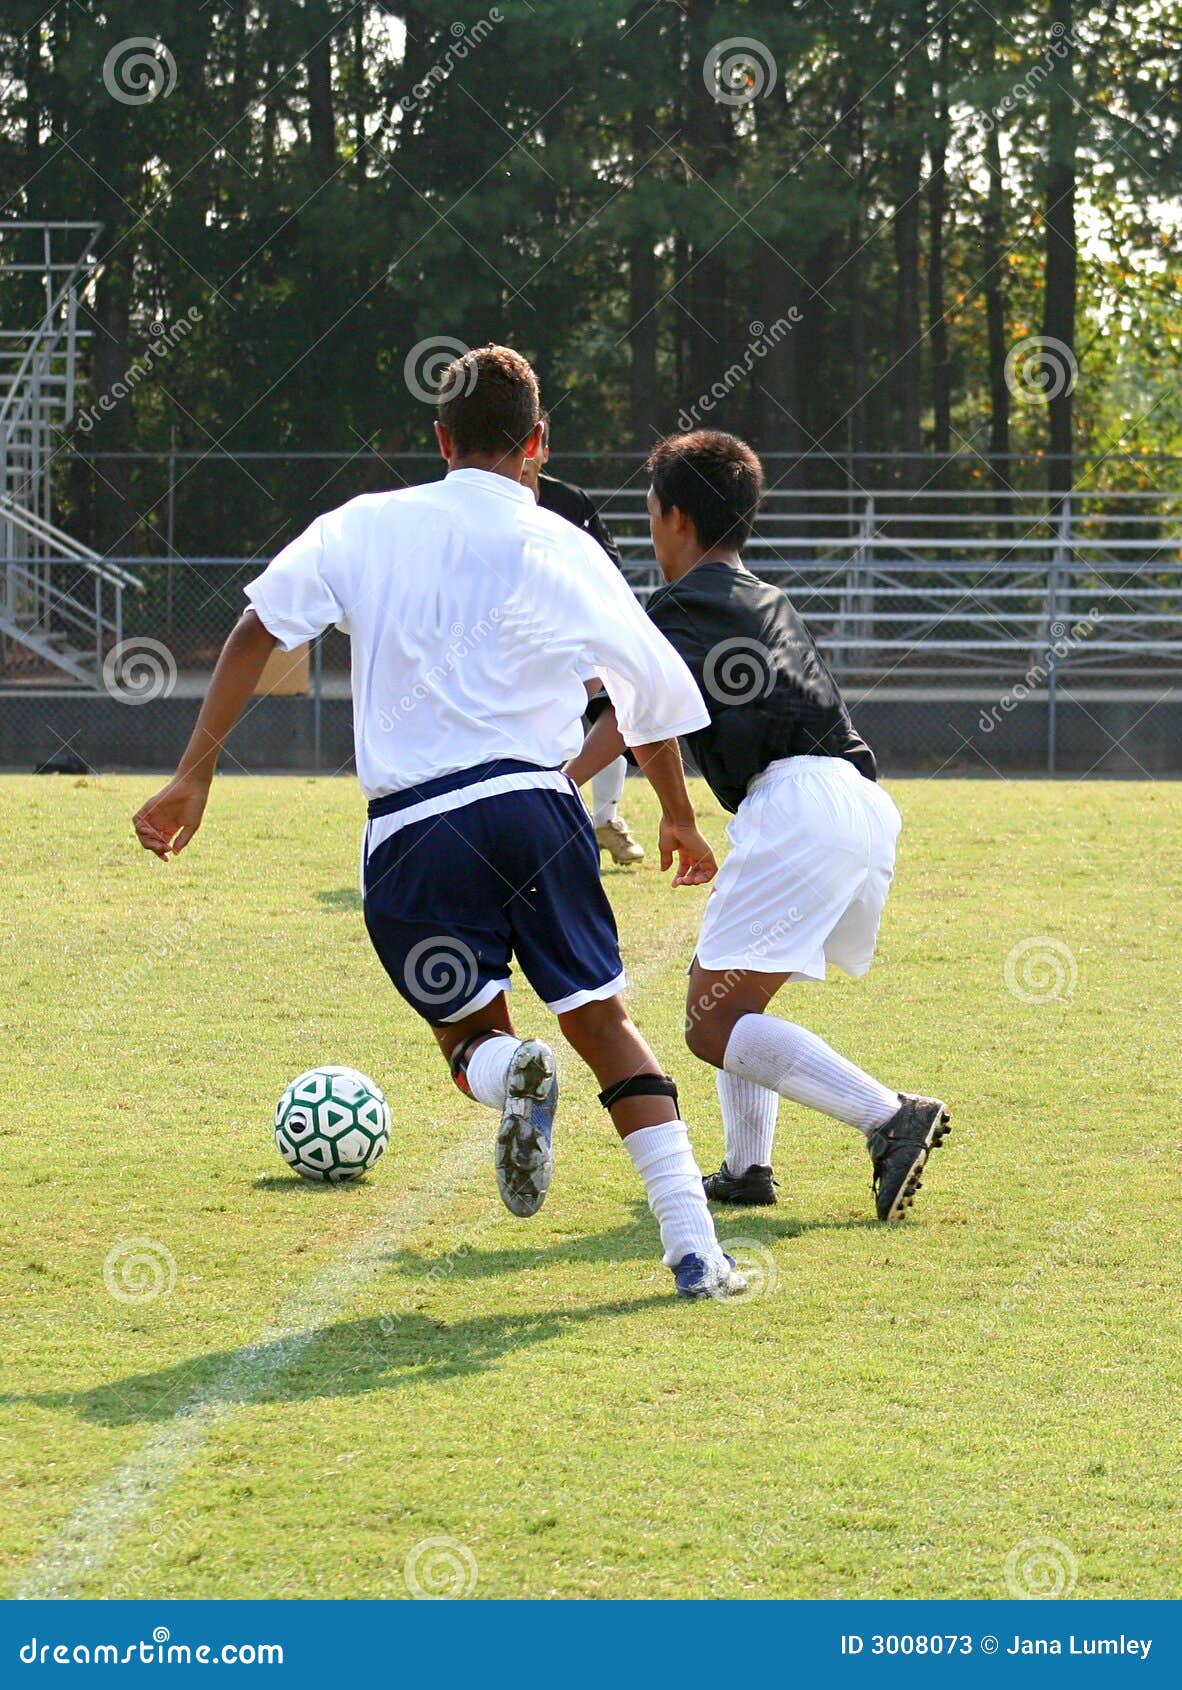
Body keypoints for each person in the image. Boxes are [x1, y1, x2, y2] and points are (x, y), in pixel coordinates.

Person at [132, 347, 745, 1300]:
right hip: (540, 812)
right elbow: (646, 692)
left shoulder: (365, 524)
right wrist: (676, 811)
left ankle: (511, 1074)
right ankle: (697, 1255)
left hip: (418, 828)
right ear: (538, 443)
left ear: (440, 439)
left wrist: (192, 777)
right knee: (608, 1023)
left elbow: (259, 629)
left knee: (467, 1041)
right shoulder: (565, 545)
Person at [565, 429, 951, 1223]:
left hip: (799, 807)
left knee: (712, 1023)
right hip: (851, 803)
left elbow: (631, 713)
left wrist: (555, 783)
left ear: (675, 518)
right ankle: (747, 1170)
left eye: (650, 512)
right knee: (729, 984)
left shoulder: (678, 605)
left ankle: (889, 1115)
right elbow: (657, 717)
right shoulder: (763, 596)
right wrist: (678, 817)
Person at [520, 411, 644, 867]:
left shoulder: (569, 501)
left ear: (543, 450)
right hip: (510, 640)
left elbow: (609, 566)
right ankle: (542, 815)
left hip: (571, 634)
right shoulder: (486, 505)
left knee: (615, 710)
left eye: (532, 445)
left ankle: (602, 817)